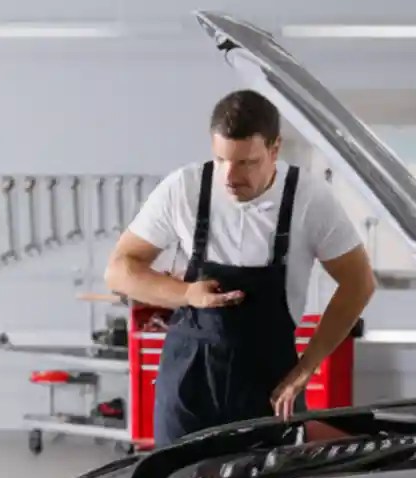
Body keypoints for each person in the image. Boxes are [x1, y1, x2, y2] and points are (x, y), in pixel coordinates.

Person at [105, 89, 376, 446]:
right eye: (221, 160)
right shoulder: (184, 188)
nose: (231, 176)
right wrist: (186, 293)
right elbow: (119, 270)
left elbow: (359, 283)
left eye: (247, 162)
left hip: (267, 382)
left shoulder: (309, 200)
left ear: (274, 150)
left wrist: (307, 367)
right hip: (189, 377)